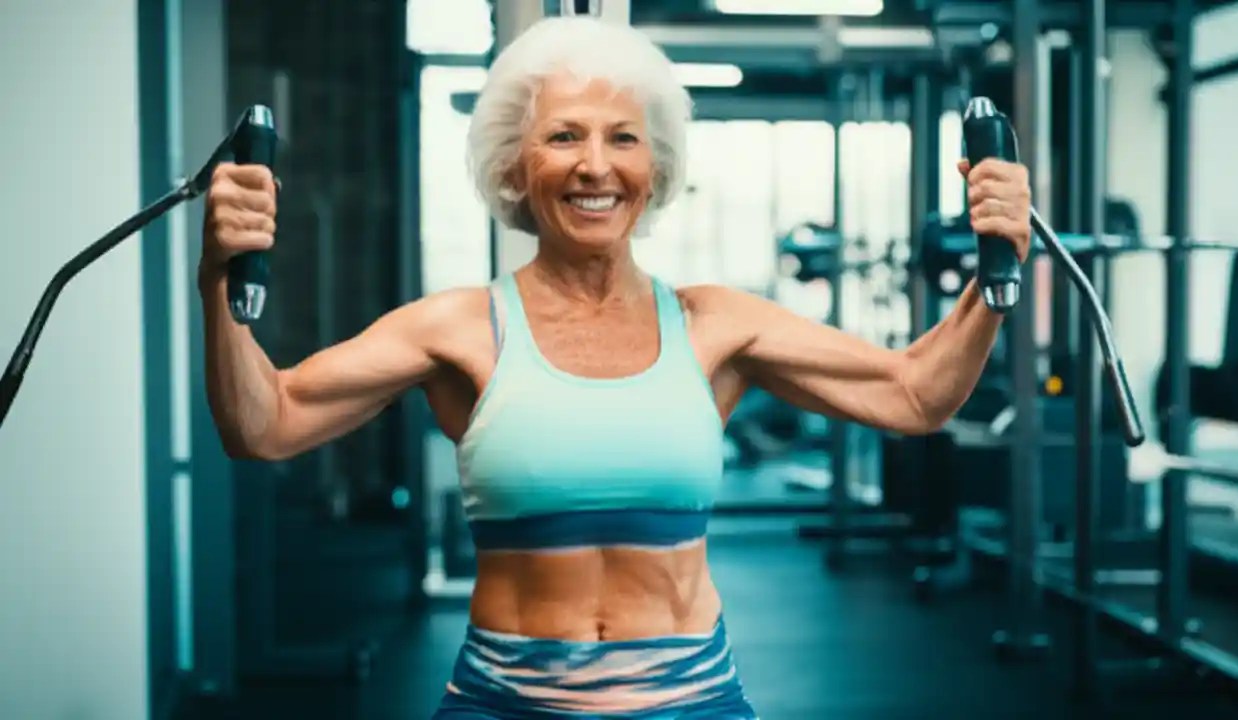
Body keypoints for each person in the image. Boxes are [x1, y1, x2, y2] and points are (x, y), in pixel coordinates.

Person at [199, 16, 1031, 720]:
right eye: (564, 136)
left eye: (622, 138)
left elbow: (915, 394)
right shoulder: (459, 328)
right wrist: (216, 277)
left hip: (691, 702)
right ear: (515, 164)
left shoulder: (715, 325)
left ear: (654, 168)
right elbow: (263, 424)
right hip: (503, 703)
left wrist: (994, 273)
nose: (595, 166)